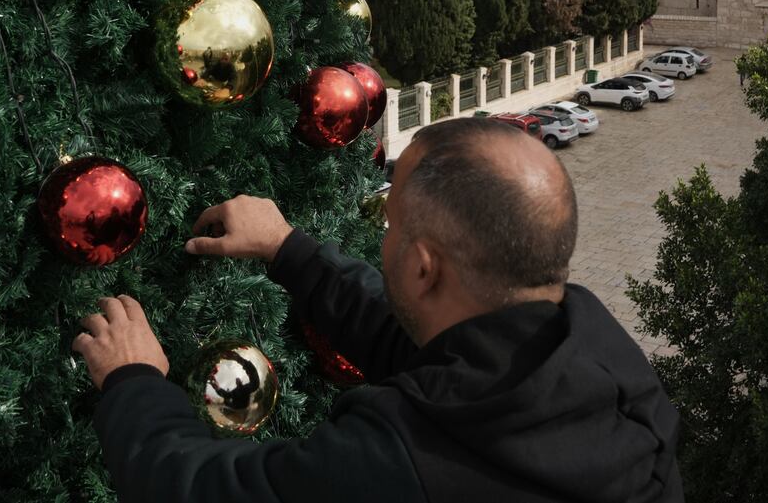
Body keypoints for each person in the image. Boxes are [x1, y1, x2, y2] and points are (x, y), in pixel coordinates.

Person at [74, 116, 684, 502]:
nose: (383, 239)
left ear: (423, 267)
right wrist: (288, 249)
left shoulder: (407, 460)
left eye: (391, 227)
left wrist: (133, 381)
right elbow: (418, 347)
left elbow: (202, 490)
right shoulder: (602, 359)